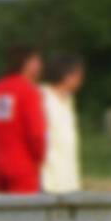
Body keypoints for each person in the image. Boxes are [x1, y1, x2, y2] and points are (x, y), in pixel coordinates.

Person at [0, 45, 47, 194]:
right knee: (25, 215)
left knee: (3, 214)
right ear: (27, 63)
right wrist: (40, 159)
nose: (40, 66)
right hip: (24, 166)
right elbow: (36, 134)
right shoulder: (28, 91)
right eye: (37, 61)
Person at [40, 53, 84, 193]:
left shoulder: (69, 100)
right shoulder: (42, 97)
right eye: (78, 75)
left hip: (68, 181)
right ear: (67, 75)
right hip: (48, 180)